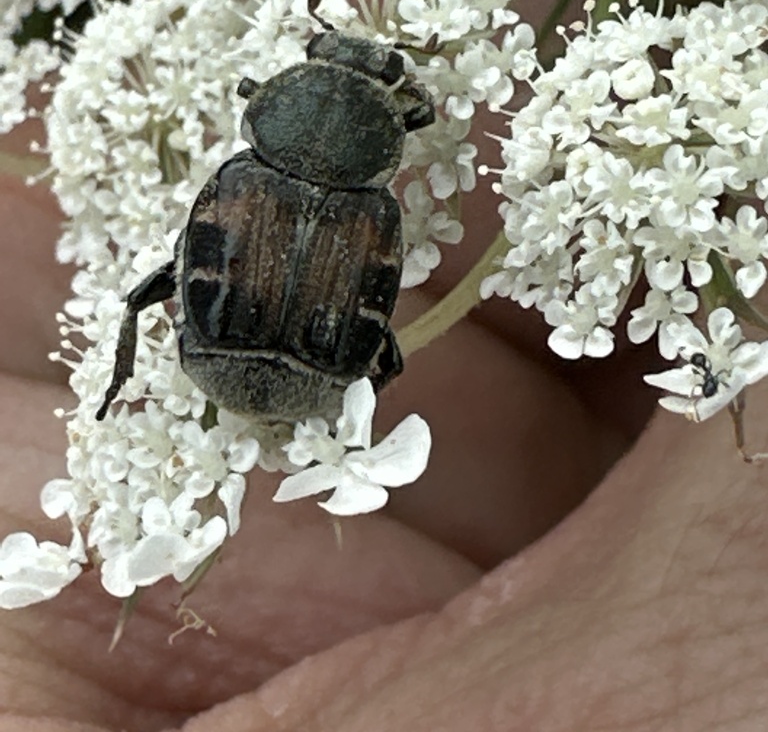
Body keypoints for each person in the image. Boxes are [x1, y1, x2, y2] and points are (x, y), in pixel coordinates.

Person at [2, 150, 767, 732]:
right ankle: (357, 429)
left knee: (154, 298)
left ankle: (154, 391)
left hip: (224, 351)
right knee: (388, 352)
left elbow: (191, 256)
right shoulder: (377, 214)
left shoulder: (238, 176)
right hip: (308, 372)